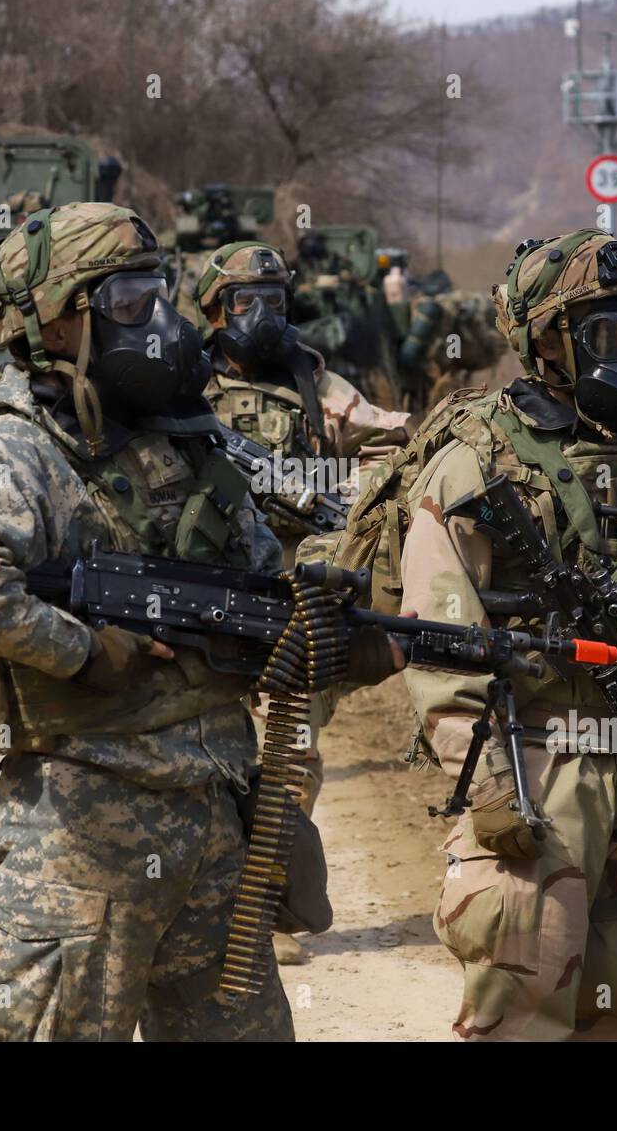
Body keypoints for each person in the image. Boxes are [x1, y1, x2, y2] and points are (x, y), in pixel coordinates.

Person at [0, 202, 313, 1041]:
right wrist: (83, 651)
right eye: (126, 302)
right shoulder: (16, 449)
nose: (156, 321)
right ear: (53, 321)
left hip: (213, 818)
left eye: (156, 294)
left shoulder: (185, 442)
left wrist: (321, 633)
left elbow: (266, 579)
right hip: (83, 838)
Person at [398, 230, 617, 1041]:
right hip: (533, 770)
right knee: (522, 1018)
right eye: (606, 335)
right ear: (546, 343)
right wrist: (489, 792)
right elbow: (439, 647)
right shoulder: (480, 465)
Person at [196, 239, 411, 963]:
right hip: (210, 589)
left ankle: (266, 911)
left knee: (294, 750)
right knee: (208, 746)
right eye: (244, 303)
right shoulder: (182, 386)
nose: (262, 317)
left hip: (300, 593)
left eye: (276, 302)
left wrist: (373, 487)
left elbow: (389, 433)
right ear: (213, 311)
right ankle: (202, 901)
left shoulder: (314, 384)